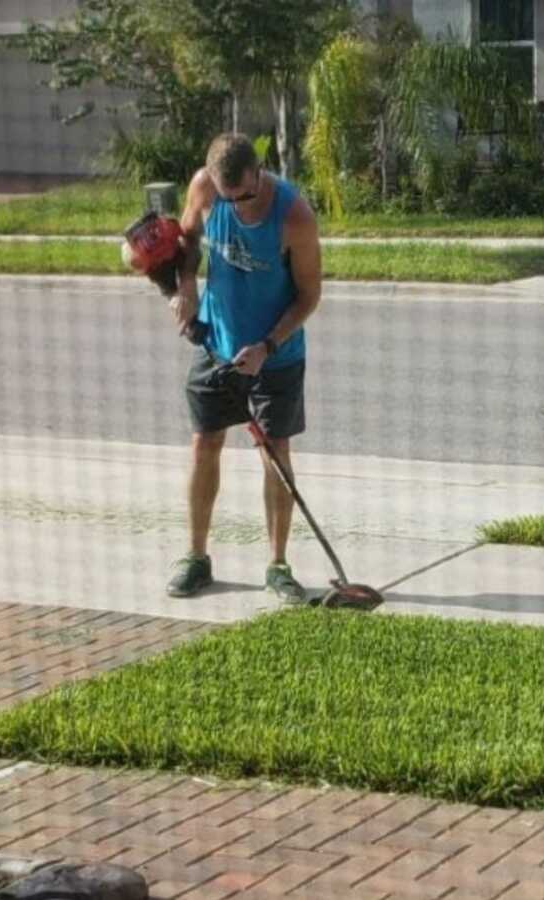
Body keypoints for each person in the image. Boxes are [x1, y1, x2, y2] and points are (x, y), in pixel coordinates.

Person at [165, 133, 323, 603]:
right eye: (227, 198)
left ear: (260, 172)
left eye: (247, 195)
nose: (239, 206)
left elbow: (310, 296)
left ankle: (277, 565)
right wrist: (187, 285)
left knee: (275, 454)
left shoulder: (293, 216)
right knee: (203, 445)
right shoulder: (204, 189)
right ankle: (196, 557)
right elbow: (188, 241)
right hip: (216, 344)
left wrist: (268, 346)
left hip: (276, 352)